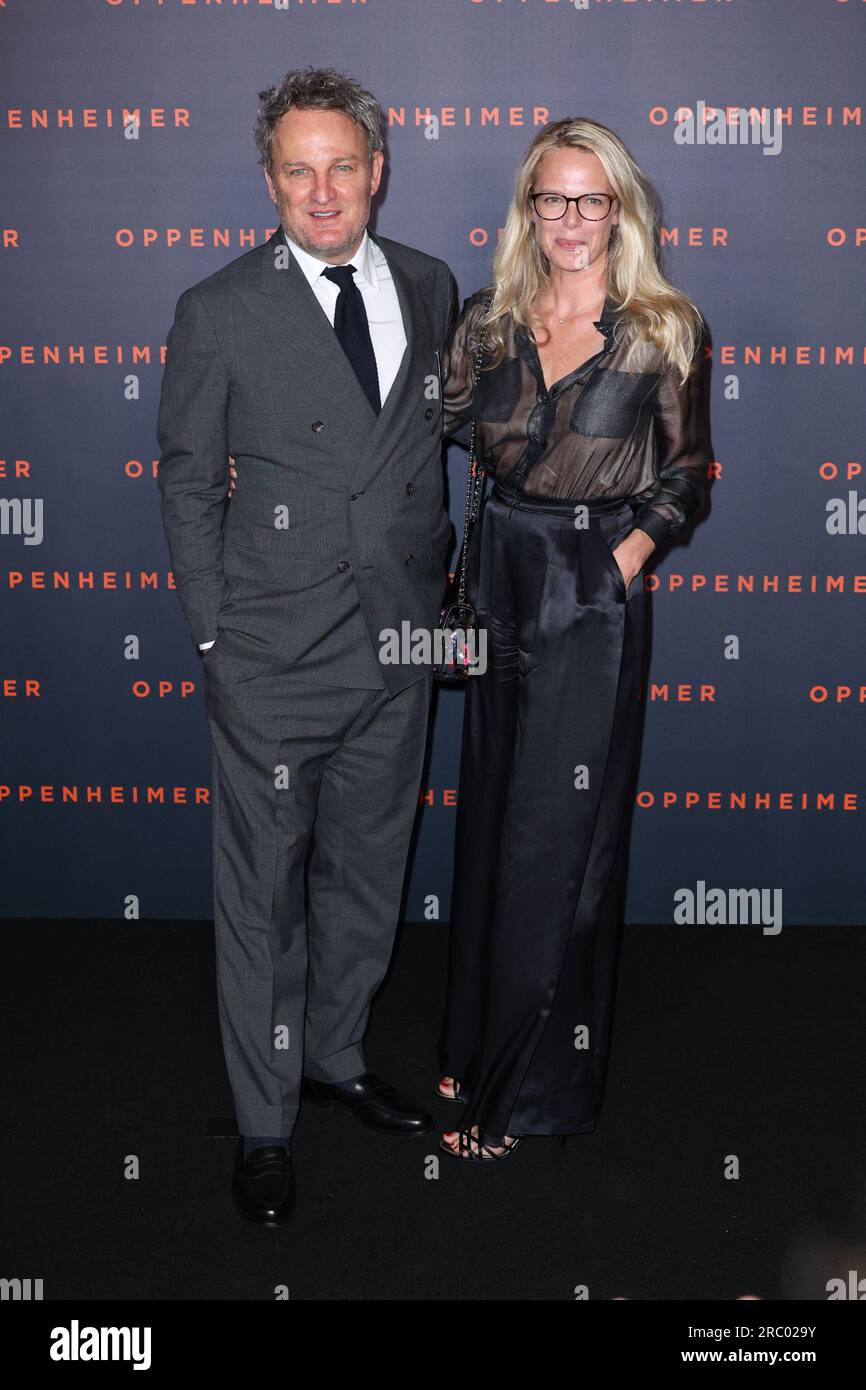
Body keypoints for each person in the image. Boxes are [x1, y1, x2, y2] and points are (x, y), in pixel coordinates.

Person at [157, 67, 457, 1224]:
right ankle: (266, 1117)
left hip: (400, 641)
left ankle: (334, 1057)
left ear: (377, 170)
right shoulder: (219, 307)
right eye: (298, 169)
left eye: (343, 166)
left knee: (367, 876)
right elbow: (188, 482)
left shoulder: (431, 286)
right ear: (268, 179)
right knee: (260, 900)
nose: (322, 191)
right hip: (273, 653)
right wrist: (215, 633)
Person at [435, 117, 713, 1161]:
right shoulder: (487, 324)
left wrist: (618, 563)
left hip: (589, 590)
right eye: (549, 198)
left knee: (558, 842)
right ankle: (470, 1040)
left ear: (619, 209)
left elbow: (684, 479)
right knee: (494, 815)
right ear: (527, 209)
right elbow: (413, 426)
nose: (567, 219)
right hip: (501, 575)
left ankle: (521, 1091)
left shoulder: (663, 330)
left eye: (588, 199)